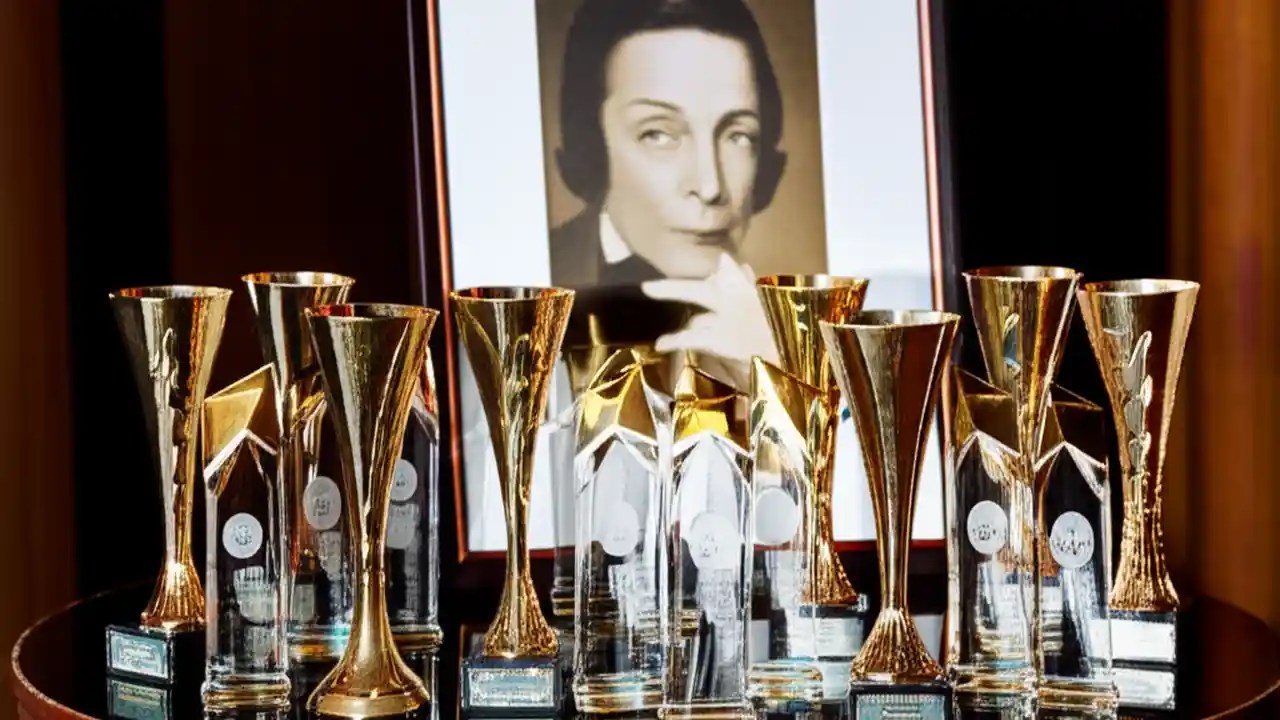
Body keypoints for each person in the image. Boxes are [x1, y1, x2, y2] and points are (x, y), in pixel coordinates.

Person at [548, 0, 785, 375]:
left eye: (737, 135)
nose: (710, 187)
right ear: (592, 147)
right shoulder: (524, 281)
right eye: (657, 134)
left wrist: (776, 376)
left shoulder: (798, 317)